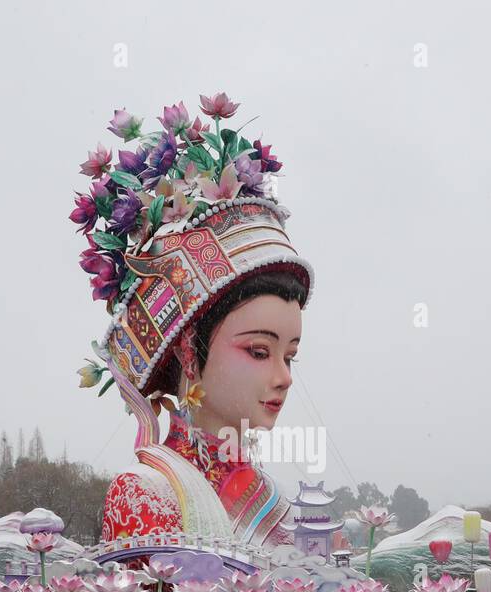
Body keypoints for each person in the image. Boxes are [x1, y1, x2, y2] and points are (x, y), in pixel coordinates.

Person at [71, 91, 314, 552]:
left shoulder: (272, 503)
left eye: (290, 356)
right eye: (259, 352)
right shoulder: (150, 493)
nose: (283, 378)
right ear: (187, 349)